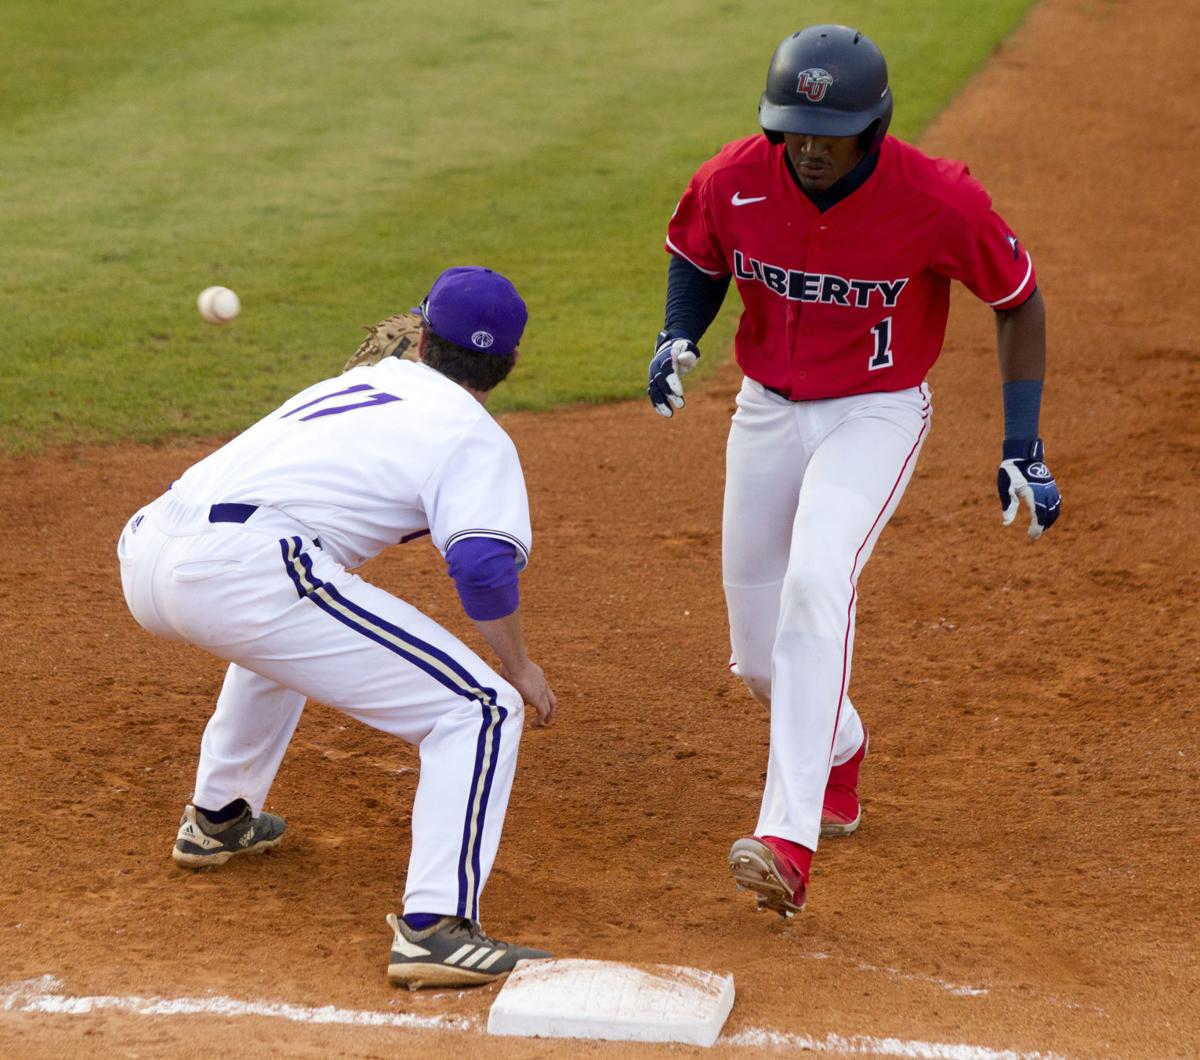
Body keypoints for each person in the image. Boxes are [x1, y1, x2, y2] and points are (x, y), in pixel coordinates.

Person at [646, 25, 1061, 918]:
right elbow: (697, 251)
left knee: (816, 579)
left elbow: (1017, 301)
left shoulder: (939, 199)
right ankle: (839, 747)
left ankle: (787, 839)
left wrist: (1020, 443)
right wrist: (675, 333)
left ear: (872, 128)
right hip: (764, 408)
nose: (806, 148)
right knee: (761, 660)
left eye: (825, 135)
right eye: (792, 128)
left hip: (875, 412)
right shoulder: (736, 176)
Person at [118, 266, 557, 986]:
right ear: (509, 363)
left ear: (421, 340)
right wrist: (519, 666)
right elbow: (481, 566)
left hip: (148, 545)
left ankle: (220, 815)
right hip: (245, 570)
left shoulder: (350, 383)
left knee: (289, 626)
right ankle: (435, 931)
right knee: (480, 709)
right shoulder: (475, 437)